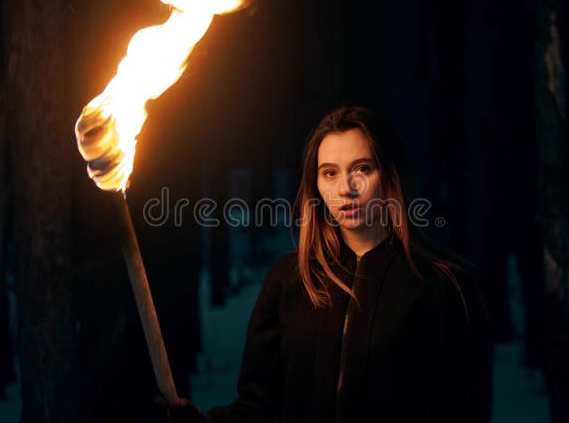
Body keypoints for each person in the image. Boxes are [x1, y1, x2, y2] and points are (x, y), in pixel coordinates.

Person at [158, 106, 492, 422]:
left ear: (389, 175)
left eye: (362, 168)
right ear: (316, 185)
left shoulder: (444, 286)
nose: (345, 188)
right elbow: (260, 408)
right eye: (329, 173)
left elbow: (464, 411)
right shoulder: (290, 279)